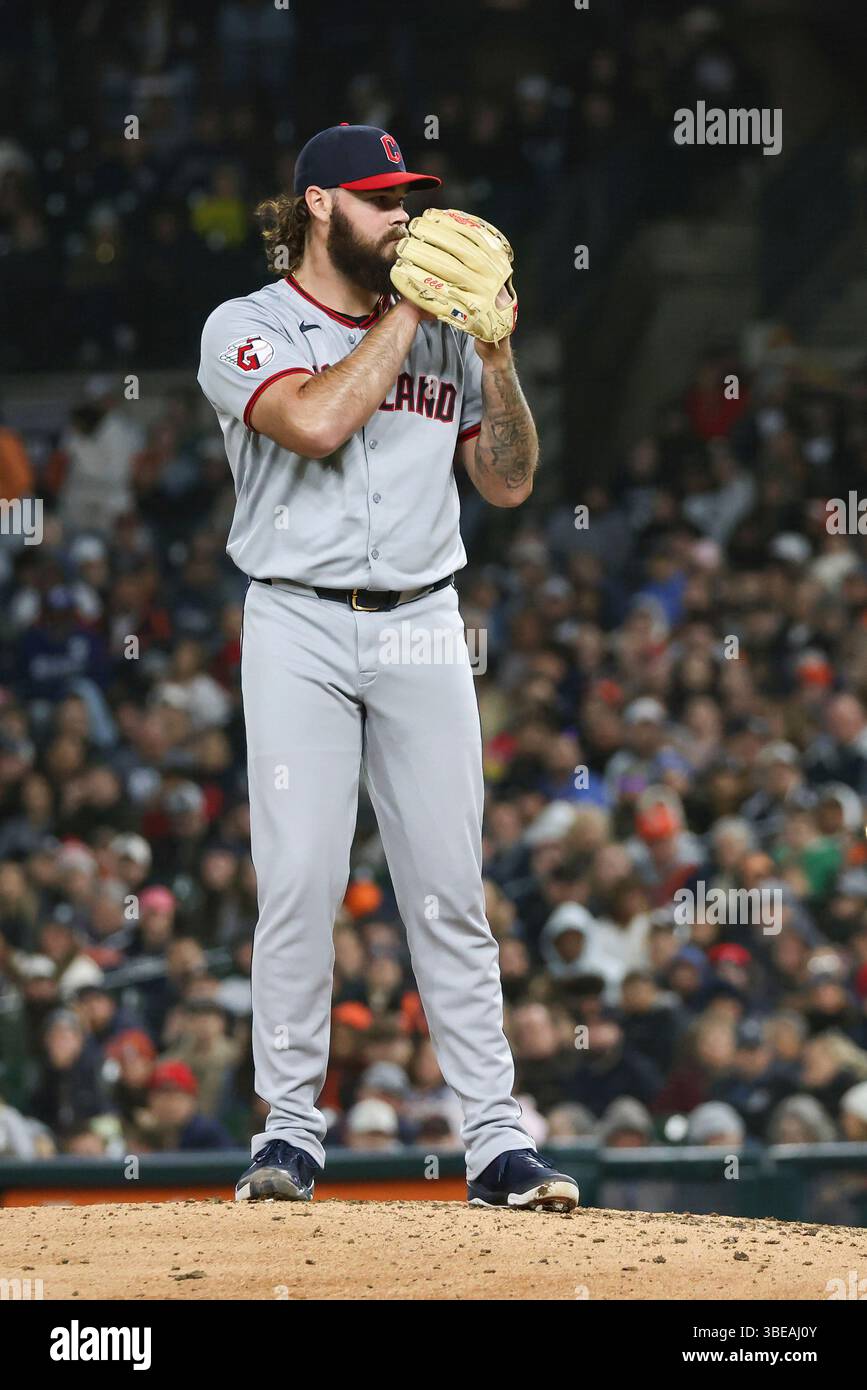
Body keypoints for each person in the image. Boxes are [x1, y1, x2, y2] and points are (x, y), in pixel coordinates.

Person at [198, 122, 579, 1211]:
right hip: (297, 625)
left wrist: (496, 358)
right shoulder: (248, 324)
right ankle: (289, 1134)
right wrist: (411, 310)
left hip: (422, 620)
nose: (404, 216)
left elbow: (505, 483)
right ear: (318, 205)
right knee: (302, 880)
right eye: (378, 199)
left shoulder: (455, 337)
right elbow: (313, 423)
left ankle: (499, 1142)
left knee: (451, 888)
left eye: (408, 196)